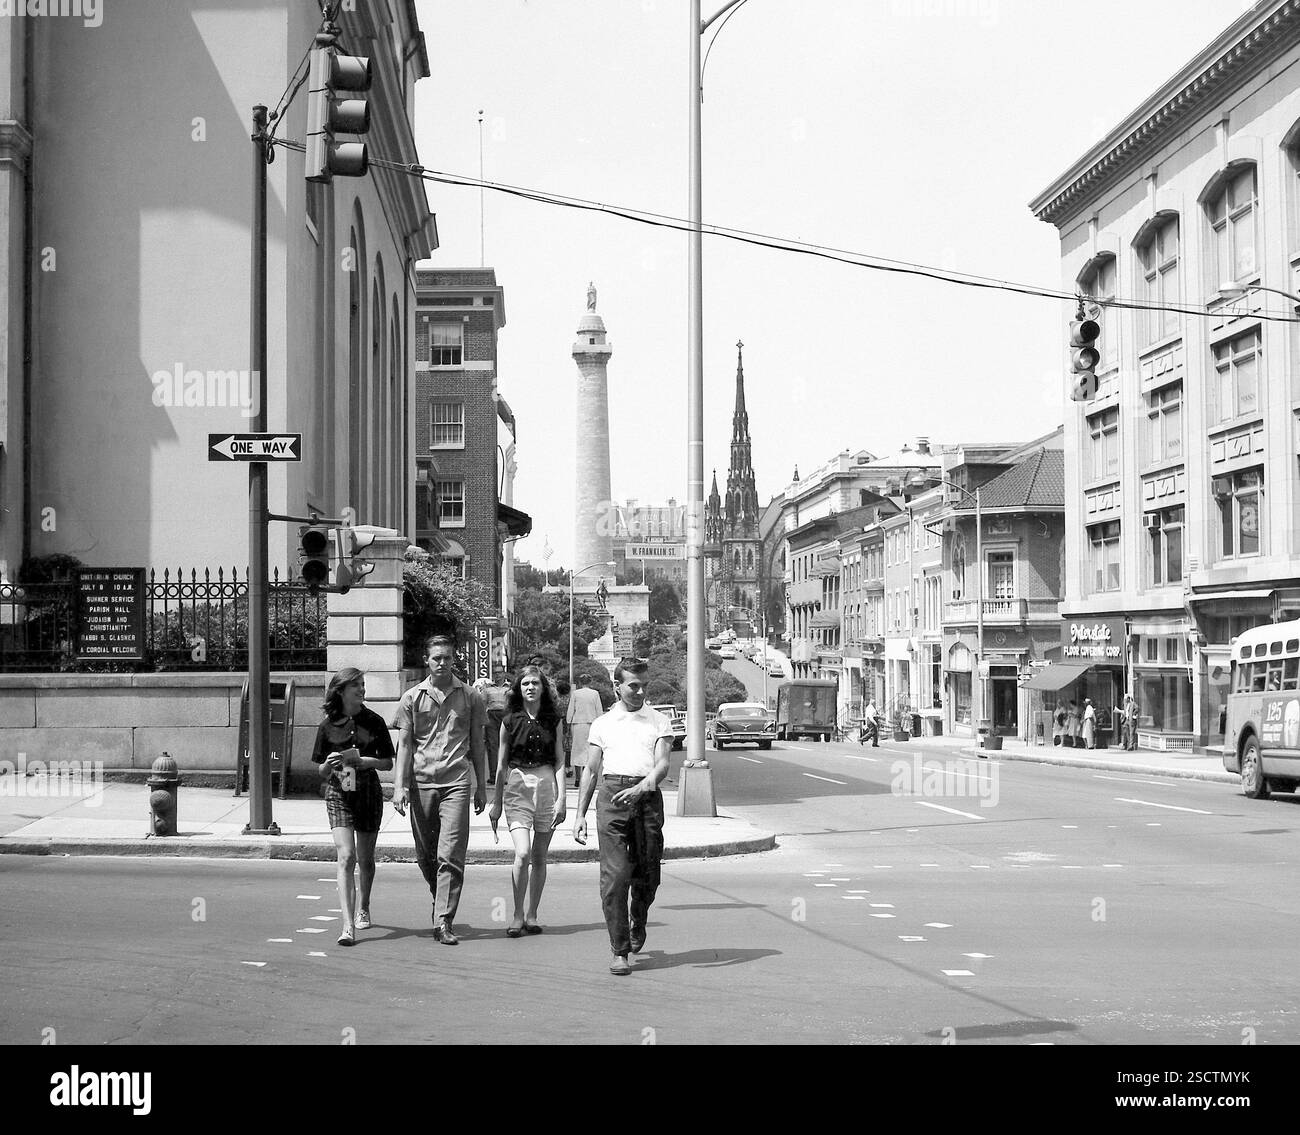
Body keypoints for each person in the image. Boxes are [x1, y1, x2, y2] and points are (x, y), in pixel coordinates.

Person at [573, 657, 673, 976]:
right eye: (633, 685)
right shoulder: (602, 724)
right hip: (612, 795)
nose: (641, 691)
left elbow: (662, 765)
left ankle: (638, 918)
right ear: (618, 687)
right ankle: (619, 950)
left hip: (647, 799)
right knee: (615, 876)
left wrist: (644, 786)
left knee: (648, 873)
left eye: (644, 685)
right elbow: (590, 770)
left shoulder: (659, 721)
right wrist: (579, 815)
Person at [393, 634, 488, 946]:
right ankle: (440, 899)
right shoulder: (411, 698)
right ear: (427, 661)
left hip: (457, 783)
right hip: (421, 782)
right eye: (437, 658)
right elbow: (405, 744)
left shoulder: (471, 696)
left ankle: (443, 920)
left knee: (450, 854)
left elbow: (477, 743)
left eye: (447, 657)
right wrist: (399, 786)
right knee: (426, 856)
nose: (443, 663)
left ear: (453, 658)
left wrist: (480, 786)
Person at [311, 668, 395, 946]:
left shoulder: (375, 721)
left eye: (363, 685)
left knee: (365, 859)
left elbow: (387, 763)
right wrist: (330, 763)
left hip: (368, 792)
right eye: (355, 685)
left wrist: (366, 762)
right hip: (339, 793)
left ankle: (364, 905)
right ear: (341, 690)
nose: (361, 690)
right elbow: (320, 771)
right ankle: (347, 926)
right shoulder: (327, 725)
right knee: (346, 857)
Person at [490, 665, 566, 936]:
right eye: (525, 684)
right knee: (522, 853)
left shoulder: (553, 719)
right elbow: (500, 765)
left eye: (535, 683)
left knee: (540, 856)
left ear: (543, 688)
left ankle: (532, 914)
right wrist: (496, 803)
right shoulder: (509, 720)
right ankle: (517, 913)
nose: (530, 687)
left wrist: (562, 798)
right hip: (518, 786)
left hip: (546, 786)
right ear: (518, 689)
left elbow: (559, 759)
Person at [565, 672, 603, 784]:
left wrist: (568, 722)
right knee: (589, 750)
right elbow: (599, 710)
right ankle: (587, 776)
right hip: (592, 723)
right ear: (590, 682)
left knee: (577, 750)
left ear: (580, 682)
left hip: (577, 724)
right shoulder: (595, 693)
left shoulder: (575, 694)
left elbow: (571, 709)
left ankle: (577, 777)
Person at [476, 676, 509, 785]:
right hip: (492, 716)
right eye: (496, 673)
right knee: (492, 746)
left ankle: (503, 776)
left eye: (500, 672)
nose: (498, 675)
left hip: (505, 716)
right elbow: (482, 704)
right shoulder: (487, 689)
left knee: (506, 746)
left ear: (504, 673)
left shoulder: (509, 688)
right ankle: (494, 776)